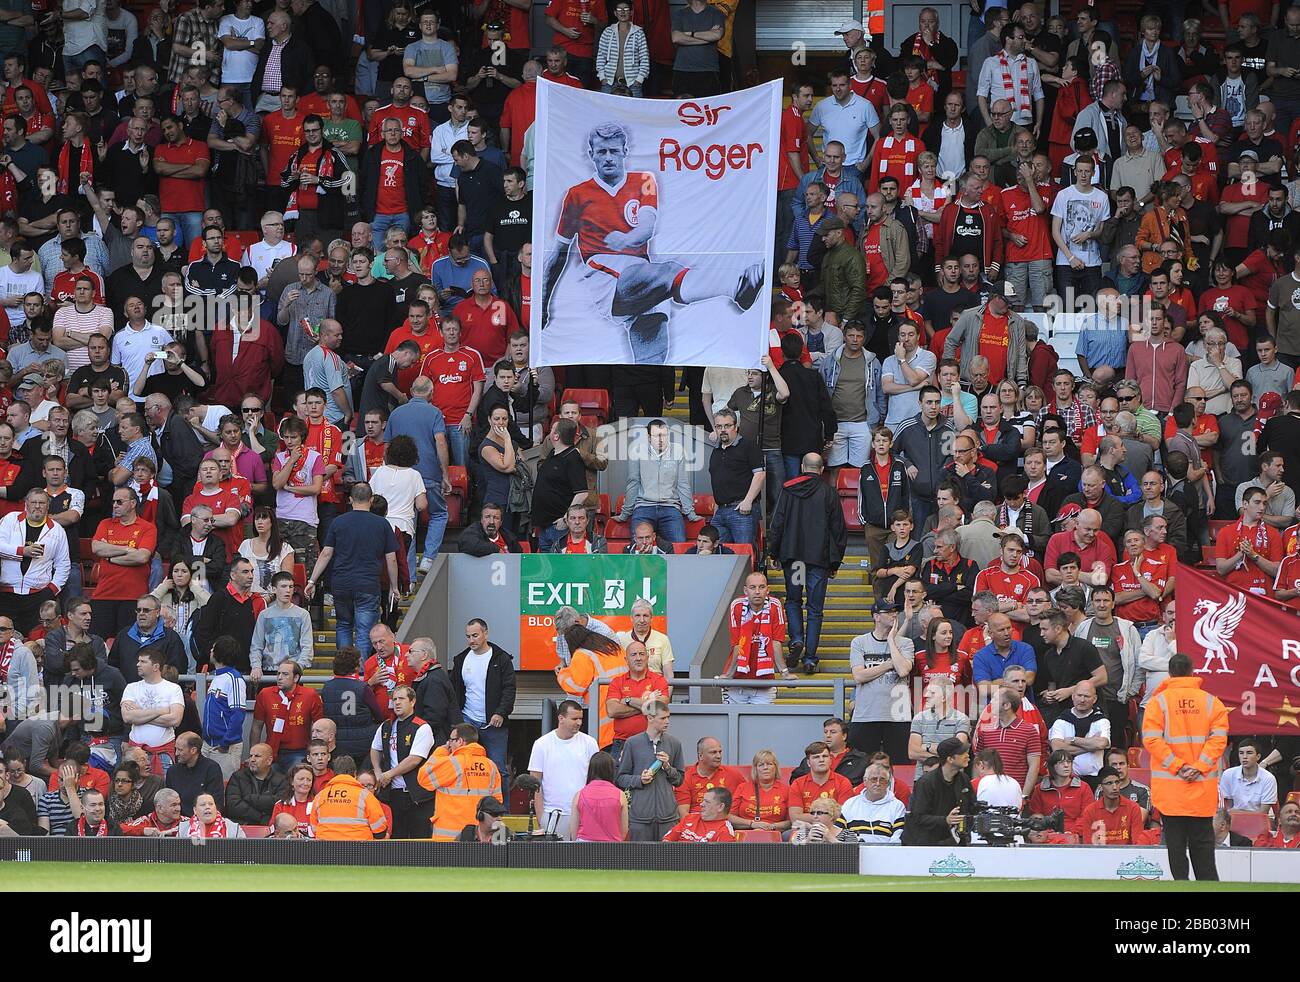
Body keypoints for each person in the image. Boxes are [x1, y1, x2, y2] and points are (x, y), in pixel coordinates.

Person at [537, 119, 765, 364]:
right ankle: (736, 286)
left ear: (624, 152)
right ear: (591, 154)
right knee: (668, 271)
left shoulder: (643, 181)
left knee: (652, 359)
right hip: (604, 274)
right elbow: (558, 253)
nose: (608, 157)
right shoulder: (577, 194)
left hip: (642, 274)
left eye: (613, 151)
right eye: (601, 152)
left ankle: (650, 395)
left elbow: (647, 226)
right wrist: (542, 305)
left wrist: (628, 238)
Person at [767, 452, 846, 673]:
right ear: (821, 470)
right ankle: (810, 657)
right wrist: (835, 563)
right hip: (818, 561)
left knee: (793, 601)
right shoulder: (829, 493)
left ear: (802, 467)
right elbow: (839, 530)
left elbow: (778, 522)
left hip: (794, 560)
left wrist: (773, 553)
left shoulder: (789, 489)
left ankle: (796, 639)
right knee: (815, 609)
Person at [306, 482, 400, 655]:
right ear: (371, 500)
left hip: (341, 583)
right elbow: (391, 560)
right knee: (365, 633)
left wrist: (312, 580)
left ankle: (344, 671)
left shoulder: (338, 522)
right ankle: (363, 676)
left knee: (343, 625)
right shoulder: (382, 524)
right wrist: (394, 587)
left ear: (350, 500)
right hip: (368, 584)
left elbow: (326, 553)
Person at [449, 618, 515, 779]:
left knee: (498, 769)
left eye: (475, 635)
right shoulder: (461, 659)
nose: (471, 640)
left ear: (486, 633)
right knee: (463, 766)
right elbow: (453, 690)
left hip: (494, 723)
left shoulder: (501, 658)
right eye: (468, 636)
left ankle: (502, 805)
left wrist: (500, 712)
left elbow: (509, 689)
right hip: (467, 720)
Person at [416, 722, 502, 842]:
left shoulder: (452, 763)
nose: (449, 743)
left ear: (460, 741)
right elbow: (497, 803)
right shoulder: (491, 766)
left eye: (451, 740)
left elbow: (423, 778)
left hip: (449, 837)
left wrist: (440, 752)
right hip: (480, 836)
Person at [718, 570, 794, 702]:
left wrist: (785, 673)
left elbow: (775, 642)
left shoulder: (775, 606)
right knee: (730, 722)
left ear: (768, 590)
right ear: (745, 590)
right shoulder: (737, 606)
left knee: (762, 723)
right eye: (753, 587)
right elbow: (738, 644)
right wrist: (728, 675)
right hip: (737, 681)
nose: (757, 591)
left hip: (764, 683)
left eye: (761, 587)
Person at [530, 699, 601, 839]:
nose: (579, 722)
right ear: (561, 718)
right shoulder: (541, 744)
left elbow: (596, 781)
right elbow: (535, 785)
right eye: (574, 718)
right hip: (553, 814)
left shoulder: (590, 743)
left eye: (581, 718)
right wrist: (541, 818)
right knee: (556, 860)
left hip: (584, 813)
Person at [121, 647, 185, 776]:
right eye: (138, 661)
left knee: (163, 792)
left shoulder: (173, 689)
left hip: (162, 754)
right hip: (135, 754)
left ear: (156, 666)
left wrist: (139, 712)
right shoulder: (131, 688)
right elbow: (127, 717)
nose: (137, 664)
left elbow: (175, 720)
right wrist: (161, 711)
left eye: (143, 662)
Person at [250, 659, 324, 768]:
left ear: (296, 678)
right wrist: (254, 754)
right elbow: (256, 726)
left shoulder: (310, 695)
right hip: (271, 751)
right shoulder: (265, 694)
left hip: (300, 751)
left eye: (285, 674)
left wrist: (316, 753)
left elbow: (319, 726)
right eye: (278, 673)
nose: (279, 678)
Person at [900, 737, 972, 845]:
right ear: (950, 759)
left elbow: (971, 806)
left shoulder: (964, 779)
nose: (967, 756)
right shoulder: (926, 782)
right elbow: (917, 817)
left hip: (950, 840)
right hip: (922, 843)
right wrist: (945, 820)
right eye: (962, 753)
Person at [223, 743, 287, 827]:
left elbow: (280, 805)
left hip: (271, 829)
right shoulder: (237, 777)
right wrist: (261, 818)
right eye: (251, 756)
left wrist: (250, 798)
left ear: (269, 760)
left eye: (257, 756)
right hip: (240, 827)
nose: (252, 759)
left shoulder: (282, 780)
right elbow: (233, 806)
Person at [570, 751, 628, 842]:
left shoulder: (579, 795)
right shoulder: (620, 795)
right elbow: (624, 831)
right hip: (613, 846)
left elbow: (573, 831)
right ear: (611, 770)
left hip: (583, 846)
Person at [163, 731, 226, 815]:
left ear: (193, 750)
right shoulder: (172, 771)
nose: (176, 753)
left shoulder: (211, 769)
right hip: (178, 821)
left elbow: (216, 803)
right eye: (176, 749)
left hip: (204, 820)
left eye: (180, 750)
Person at [1220, 738, 1279, 816]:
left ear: (1258, 757)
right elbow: (1228, 807)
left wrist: (1236, 812)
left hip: (1258, 822)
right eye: (1241, 753)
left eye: (1249, 753)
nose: (1244, 756)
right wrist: (1233, 813)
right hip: (1234, 821)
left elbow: (1263, 813)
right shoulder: (1228, 774)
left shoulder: (1268, 778)